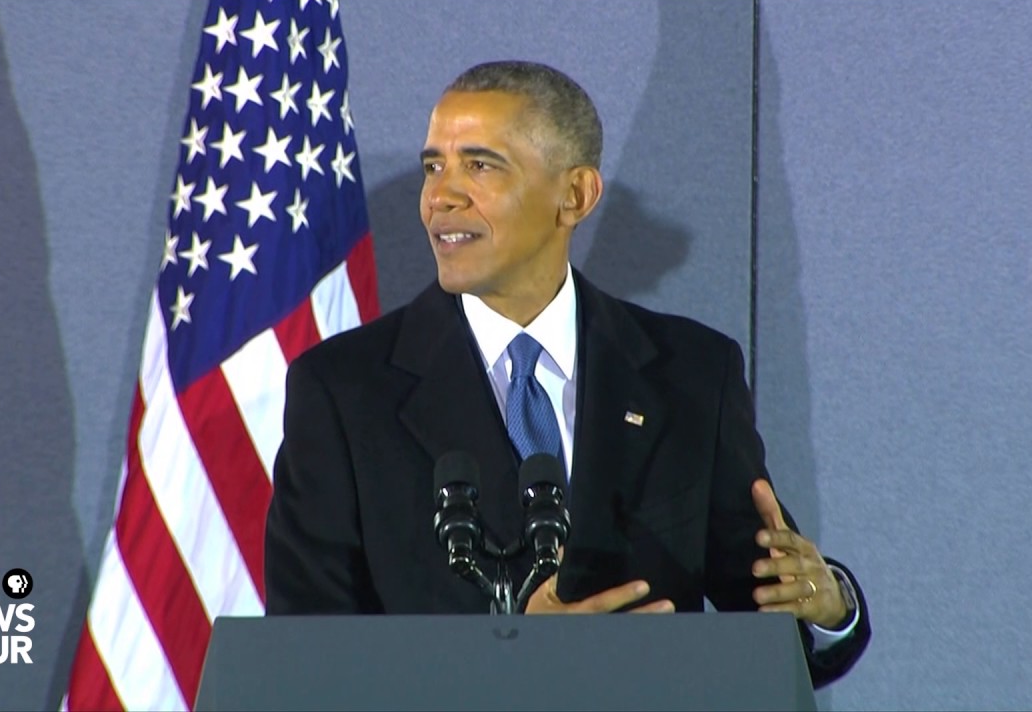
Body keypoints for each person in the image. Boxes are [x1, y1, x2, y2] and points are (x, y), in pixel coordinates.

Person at [264, 60, 870, 687]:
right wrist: (512, 656)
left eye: (479, 164)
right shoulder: (342, 391)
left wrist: (828, 607)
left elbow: (771, 624)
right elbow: (308, 659)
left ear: (574, 196)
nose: (439, 196)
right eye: (432, 166)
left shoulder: (692, 375)